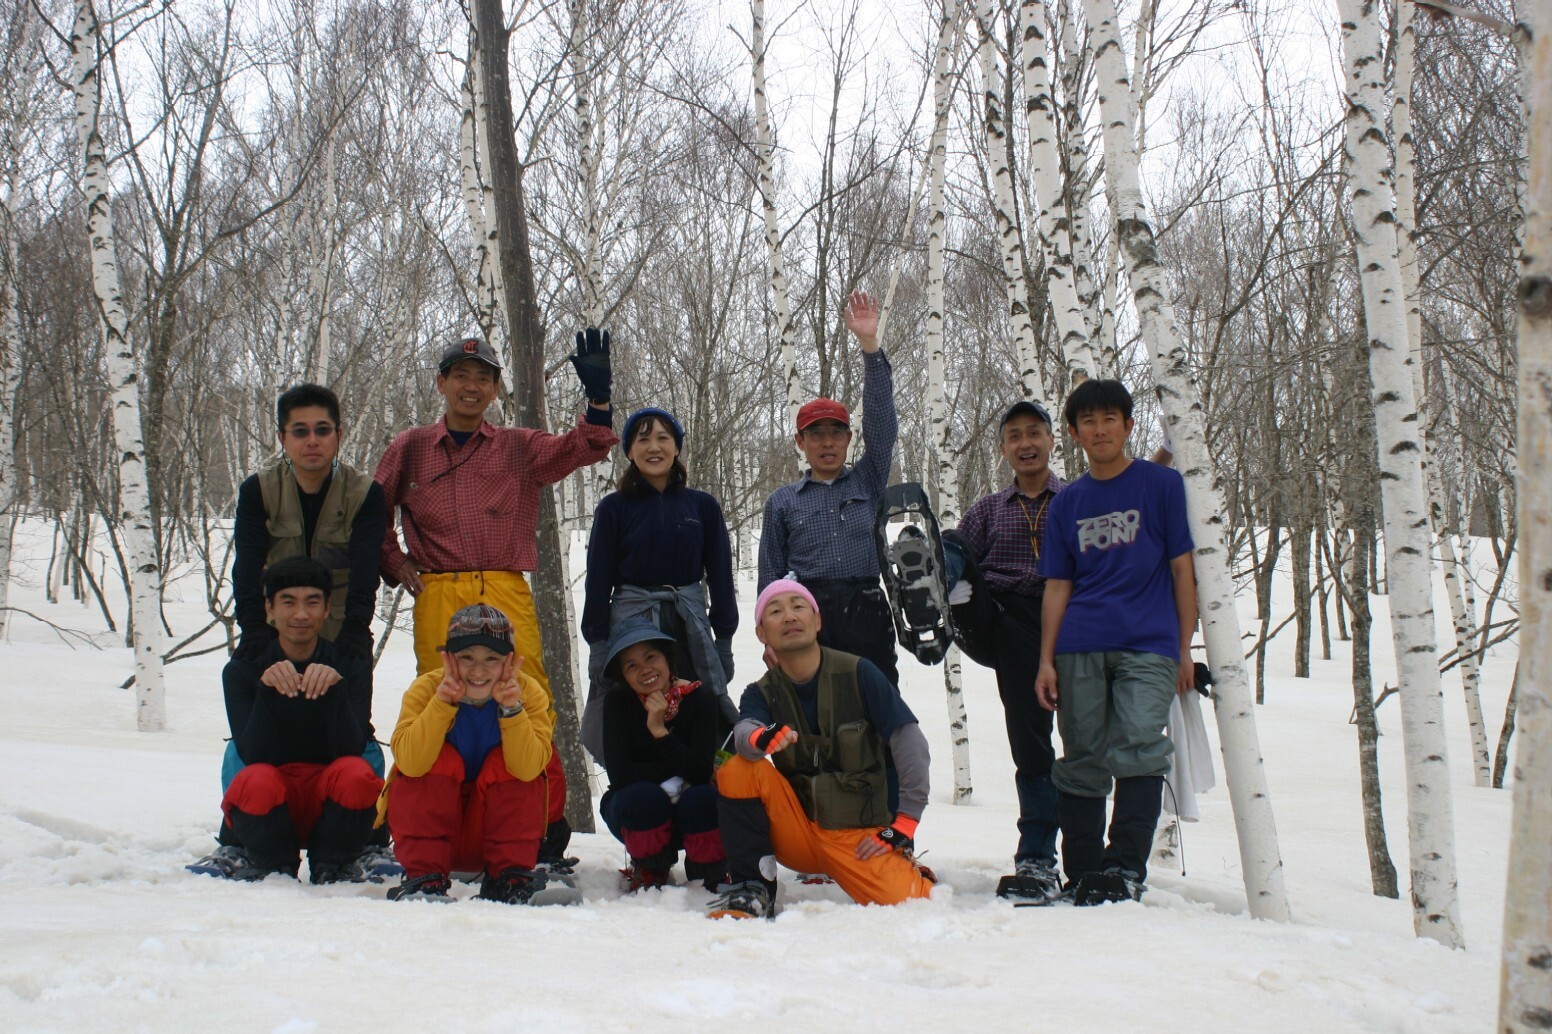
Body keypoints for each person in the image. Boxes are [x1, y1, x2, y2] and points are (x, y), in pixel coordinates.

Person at [373, 330, 617, 870]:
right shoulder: (410, 446)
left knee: (528, 701)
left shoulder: (517, 448)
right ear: (441, 383)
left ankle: (542, 834)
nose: (470, 386)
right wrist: (397, 563)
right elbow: (372, 511)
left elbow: (585, 447)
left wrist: (597, 400)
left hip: (505, 585)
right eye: (460, 375)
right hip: (439, 587)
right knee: (442, 701)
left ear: (495, 389)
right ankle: (435, 832)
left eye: (483, 377)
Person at [1035, 379, 1198, 905]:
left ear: (1129, 425)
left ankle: (1125, 868)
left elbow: (1181, 569)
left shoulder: (1160, 485)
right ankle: (1083, 872)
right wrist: (1046, 661)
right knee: (1080, 754)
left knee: (1138, 747)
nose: (1100, 429)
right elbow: (1058, 585)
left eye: (1110, 418)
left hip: (1149, 643)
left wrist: (1184, 647)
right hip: (1080, 643)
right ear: (1074, 432)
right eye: (1088, 421)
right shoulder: (1067, 504)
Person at [225, 385, 390, 851]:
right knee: (253, 733)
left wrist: (356, 633)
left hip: (338, 629)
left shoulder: (363, 493)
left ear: (338, 435)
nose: (311, 441)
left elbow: (364, 569)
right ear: (282, 437)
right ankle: (239, 837)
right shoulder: (259, 490)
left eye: (322, 430)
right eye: (300, 432)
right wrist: (255, 631)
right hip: (272, 629)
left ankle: (367, 834)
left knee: (354, 735)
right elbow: (247, 563)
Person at [708, 579, 933, 919]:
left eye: (798, 607)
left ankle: (900, 867)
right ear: (761, 634)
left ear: (818, 621)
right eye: (775, 610)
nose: (788, 616)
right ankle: (751, 888)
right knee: (738, 769)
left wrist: (903, 824)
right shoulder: (760, 692)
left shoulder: (860, 673)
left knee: (915, 904)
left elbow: (909, 741)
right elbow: (745, 731)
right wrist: (760, 739)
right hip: (796, 834)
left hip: (857, 837)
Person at [191, 556, 384, 884]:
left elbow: (350, 749)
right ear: (269, 608)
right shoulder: (242, 671)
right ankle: (271, 865)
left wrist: (335, 692)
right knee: (255, 778)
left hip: (331, 805)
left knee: (356, 773)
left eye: (312, 602)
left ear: (326, 610)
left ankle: (335, 865)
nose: (300, 614)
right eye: (288, 602)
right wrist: (267, 693)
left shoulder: (350, 666)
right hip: (269, 806)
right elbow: (251, 754)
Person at [381, 604, 579, 905]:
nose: (478, 670)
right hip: (433, 832)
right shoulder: (426, 689)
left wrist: (512, 709)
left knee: (512, 762)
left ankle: (509, 879)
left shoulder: (528, 692)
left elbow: (528, 770)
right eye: (466, 658)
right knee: (437, 758)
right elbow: (410, 762)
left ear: (508, 661)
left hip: (498, 834)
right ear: (448, 658)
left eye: (492, 659)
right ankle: (424, 880)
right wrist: (442, 703)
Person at [950, 399, 1067, 903]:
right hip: (1009, 623)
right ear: (1003, 449)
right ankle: (1037, 856)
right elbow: (958, 552)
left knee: (1088, 745)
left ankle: (1087, 852)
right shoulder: (988, 510)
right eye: (1014, 436)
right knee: (1031, 743)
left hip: (1074, 623)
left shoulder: (1077, 500)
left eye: (1034, 433)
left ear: (1051, 440)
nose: (1025, 443)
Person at [757, 290, 900, 684]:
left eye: (836, 433)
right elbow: (771, 575)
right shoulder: (782, 502)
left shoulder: (868, 481)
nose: (827, 442)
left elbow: (883, 426)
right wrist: (769, 635)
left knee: (877, 707)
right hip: (807, 613)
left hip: (868, 608)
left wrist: (870, 348)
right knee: (815, 713)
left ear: (849, 438)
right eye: (815, 434)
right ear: (800, 443)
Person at [580, 407, 737, 762]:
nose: (654, 447)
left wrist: (724, 640)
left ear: (677, 448)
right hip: (633, 628)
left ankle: (704, 787)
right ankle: (642, 792)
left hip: (688, 627)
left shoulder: (703, 507)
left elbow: (721, 578)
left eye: (663, 438)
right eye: (643, 438)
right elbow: (598, 581)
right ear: (629, 451)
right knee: (635, 706)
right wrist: (598, 643)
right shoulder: (613, 509)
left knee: (697, 705)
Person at [598, 618, 727, 892]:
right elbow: (621, 776)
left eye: (650, 657)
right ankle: (650, 868)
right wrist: (676, 770)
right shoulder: (618, 702)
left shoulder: (699, 697)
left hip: (691, 813)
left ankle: (708, 871)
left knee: (704, 797)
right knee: (643, 795)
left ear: (668, 660)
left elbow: (702, 772)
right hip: (638, 814)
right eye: (631, 665)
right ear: (623, 676)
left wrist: (659, 731)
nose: (645, 670)